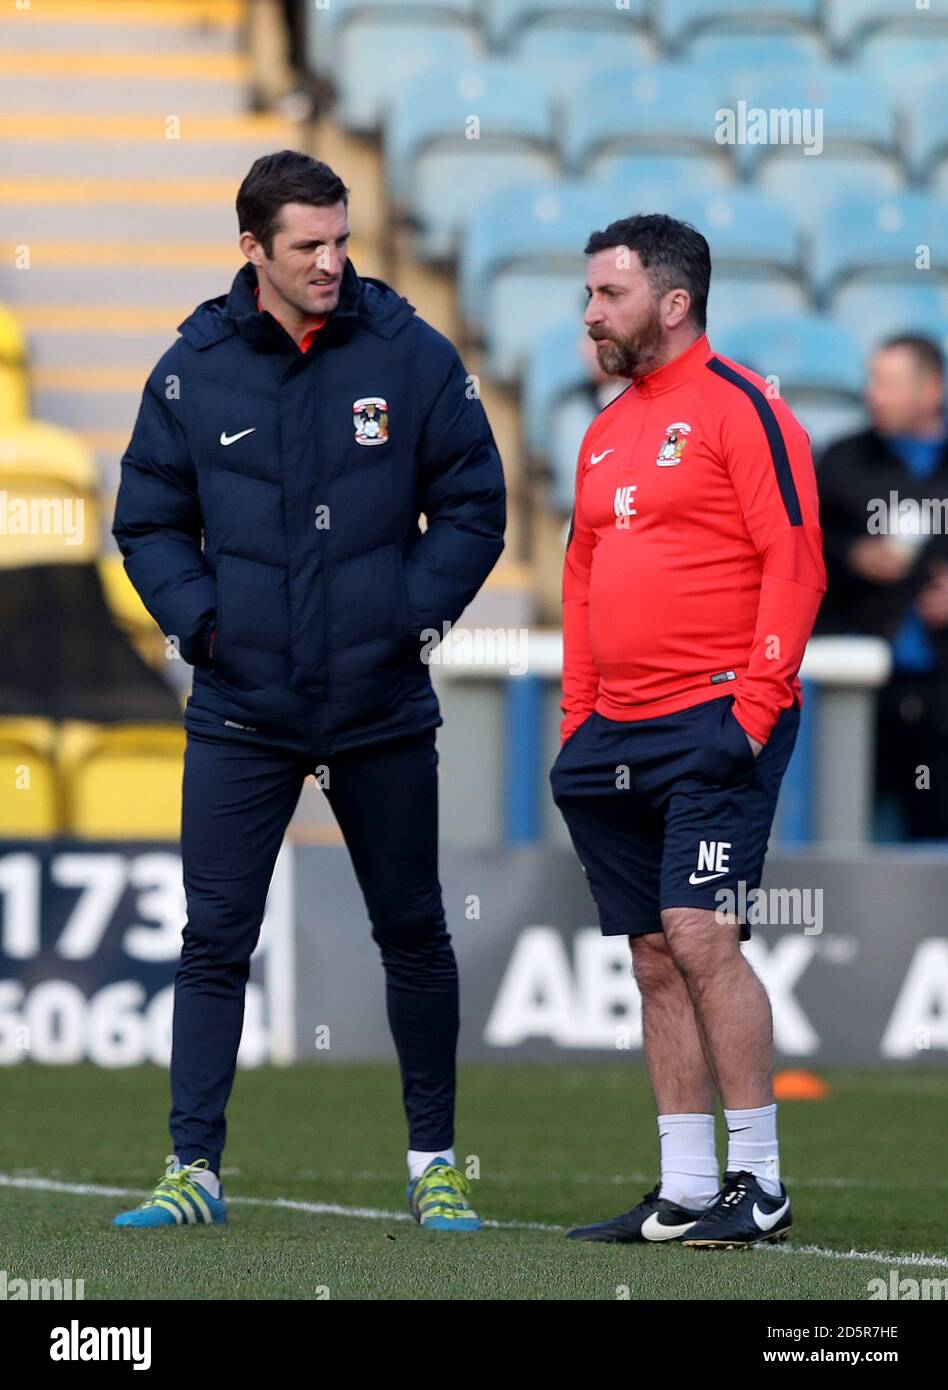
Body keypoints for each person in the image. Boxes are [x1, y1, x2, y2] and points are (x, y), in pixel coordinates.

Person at [110, 150, 505, 1232]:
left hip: (379, 705)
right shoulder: (191, 368)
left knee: (415, 931)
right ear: (253, 250)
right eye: (307, 246)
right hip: (243, 706)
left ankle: (435, 1162)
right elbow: (145, 521)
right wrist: (207, 624)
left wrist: (400, 619)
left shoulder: (413, 354)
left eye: (341, 240)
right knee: (213, 938)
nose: (332, 262)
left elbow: (475, 503)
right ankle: (194, 1168)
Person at [550, 214, 825, 1248]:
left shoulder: (743, 408)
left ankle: (760, 1182)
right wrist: (579, 720)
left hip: (716, 717)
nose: (589, 313)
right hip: (614, 732)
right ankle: (681, 1185)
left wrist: (752, 712)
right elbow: (580, 585)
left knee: (704, 935)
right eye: (587, 295)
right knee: (654, 955)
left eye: (607, 295)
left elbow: (796, 561)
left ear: (672, 304)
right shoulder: (604, 428)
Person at [817, 335, 948, 839]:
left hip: (938, 697)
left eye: (889, 384)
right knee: (846, 833)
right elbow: (798, 546)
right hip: (857, 690)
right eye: (873, 381)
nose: (873, 394)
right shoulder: (842, 459)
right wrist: (853, 555)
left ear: (931, 389)